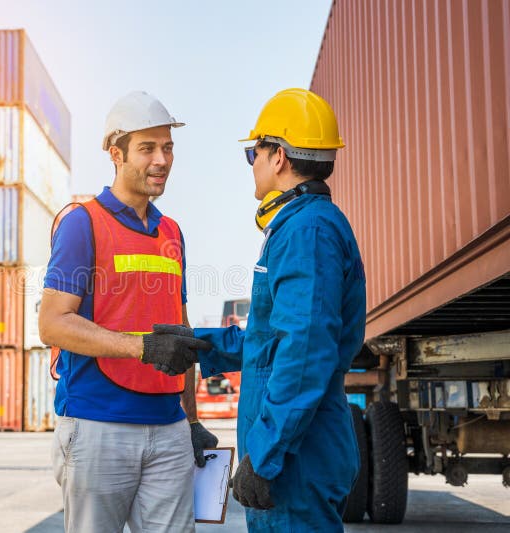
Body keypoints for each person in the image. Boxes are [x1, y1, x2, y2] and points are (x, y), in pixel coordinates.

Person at [179, 88, 366, 531]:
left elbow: (303, 355)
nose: (254, 165)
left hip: (296, 460)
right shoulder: (302, 225)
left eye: (254, 153)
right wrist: (198, 344)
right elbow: (273, 342)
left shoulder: (308, 231)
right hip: (294, 451)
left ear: (278, 155)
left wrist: (263, 457)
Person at [38, 90, 218, 533]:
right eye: (147, 148)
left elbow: (182, 330)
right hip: (99, 425)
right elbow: (53, 323)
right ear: (116, 154)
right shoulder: (83, 223)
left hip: (170, 426)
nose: (162, 160)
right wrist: (139, 347)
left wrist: (192, 419)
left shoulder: (171, 231)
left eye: (168, 147)